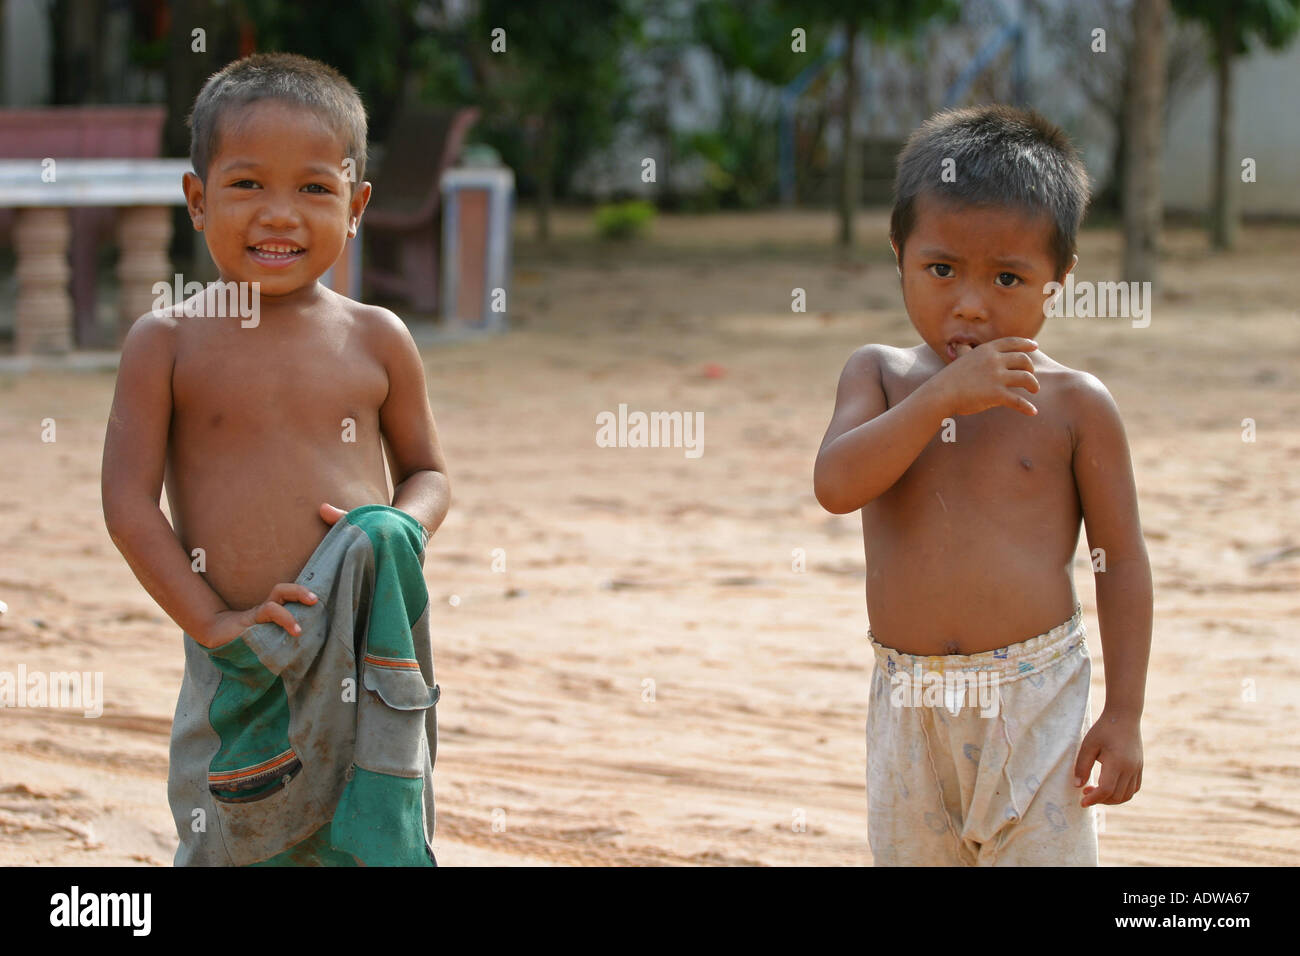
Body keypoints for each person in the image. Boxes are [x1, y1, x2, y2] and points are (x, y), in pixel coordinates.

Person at [101, 53, 450, 865]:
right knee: (233, 825)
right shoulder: (169, 342)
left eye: (315, 189)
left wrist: (393, 532)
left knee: (365, 825)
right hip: (243, 658)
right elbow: (127, 505)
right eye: (249, 185)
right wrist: (213, 622)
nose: (280, 216)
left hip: (364, 648)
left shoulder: (377, 338)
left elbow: (429, 473)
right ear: (197, 199)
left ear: (357, 206)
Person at [813, 104, 1151, 866]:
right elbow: (836, 485)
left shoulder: (1076, 405)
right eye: (941, 270)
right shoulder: (882, 376)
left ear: (1059, 281)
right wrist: (941, 398)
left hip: (1034, 703)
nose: (970, 303)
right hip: (908, 705)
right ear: (899, 253)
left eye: (1007, 277)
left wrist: (1124, 713)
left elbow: (1121, 560)